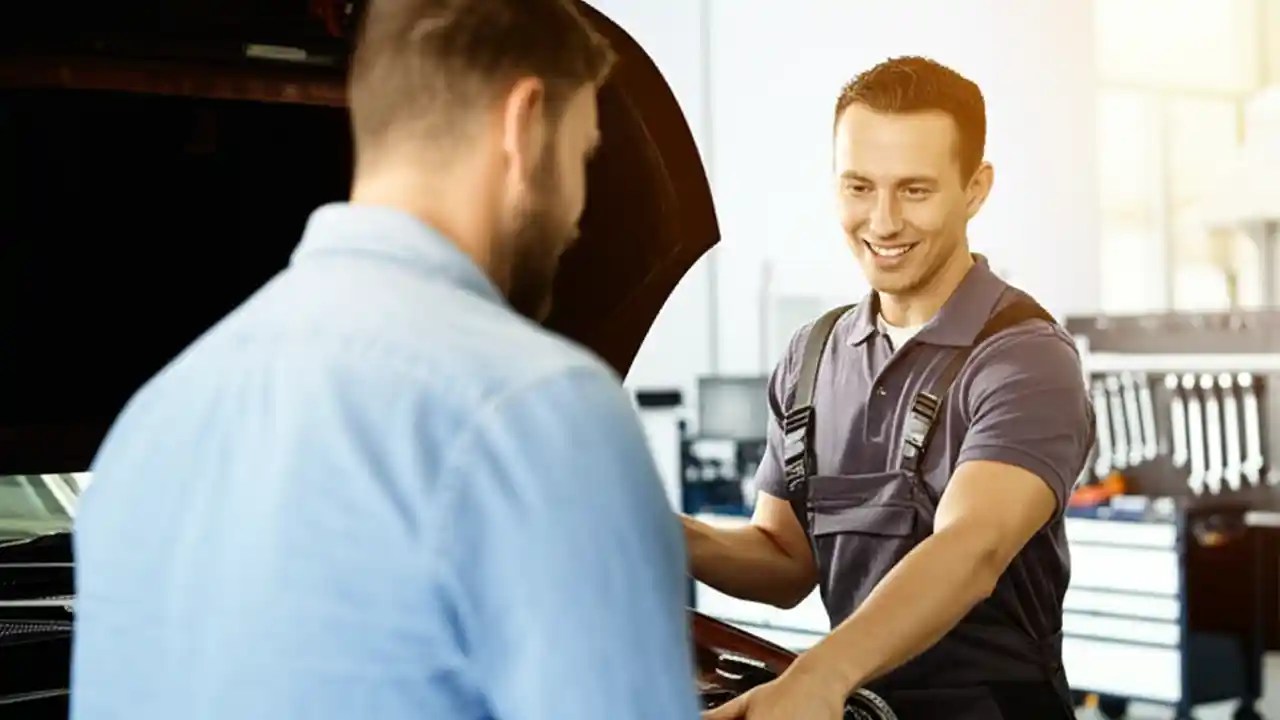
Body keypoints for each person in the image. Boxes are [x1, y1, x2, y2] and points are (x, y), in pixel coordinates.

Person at [69, 2, 700, 719]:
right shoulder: (540, 406)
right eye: (582, 154)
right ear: (523, 124)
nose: (579, 217)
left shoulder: (150, 422)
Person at [691, 56, 1094, 720]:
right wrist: (660, 533)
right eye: (859, 187)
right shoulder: (811, 357)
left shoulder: (1025, 357)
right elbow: (785, 561)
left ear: (975, 188)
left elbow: (971, 548)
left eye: (915, 190)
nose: (882, 222)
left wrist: (818, 676)